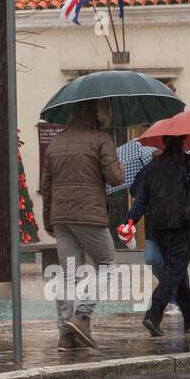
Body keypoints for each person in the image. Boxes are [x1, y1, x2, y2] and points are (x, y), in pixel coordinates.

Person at [40, 100, 124, 351]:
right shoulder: (101, 140)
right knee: (108, 265)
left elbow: (46, 186)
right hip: (89, 215)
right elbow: (116, 177)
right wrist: (116, 161)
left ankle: (66, 335)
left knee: (68, 274)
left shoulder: (55, 142)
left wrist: (48, 219)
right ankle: (82, 315)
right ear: (99, 115)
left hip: (61, 216)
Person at [130, 135, 190, 336]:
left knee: (178, 272)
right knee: (174, 271)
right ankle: (153, 314)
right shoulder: (188, 162)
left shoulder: (153, 166)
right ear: (183, 141)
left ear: (163, 142)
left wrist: (129, 221)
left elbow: (140, 199)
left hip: (159, 228)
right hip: (182, 225)